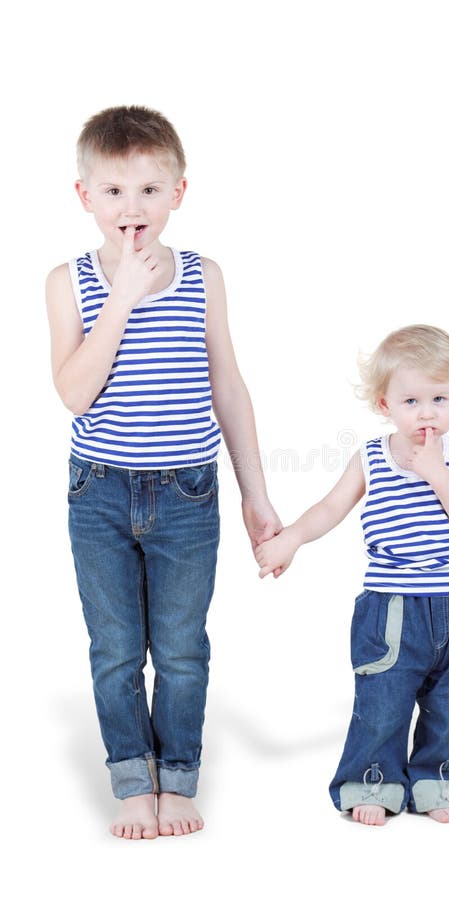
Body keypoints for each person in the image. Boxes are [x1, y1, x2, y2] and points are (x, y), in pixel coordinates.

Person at [46, 105, 281, 840]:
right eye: (113, 192)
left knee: (180, 647)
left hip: (187, 491)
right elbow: (74, 393)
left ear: (180, 191)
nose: (132, 209)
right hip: (102, 490)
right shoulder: (68, 281)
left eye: (150, 190)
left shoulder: (203, 277)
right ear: (84, 196)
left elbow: (229, 389)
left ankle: (176, 778)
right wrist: (119, 301)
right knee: (116, 647)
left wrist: (256, 495)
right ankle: (129, 778)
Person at [255, 324, 449, 826]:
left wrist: (436, 473)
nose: (426, 412)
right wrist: (292, 538)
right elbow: (330, 507)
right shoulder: (372, 456)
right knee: (382, 700)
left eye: (439, 398)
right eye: (411, 401)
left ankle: (443, 779)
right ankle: (372, 780)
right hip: (391, 609)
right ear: (385, 404)